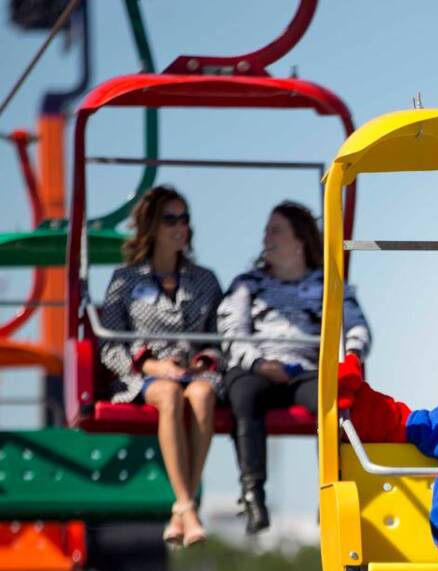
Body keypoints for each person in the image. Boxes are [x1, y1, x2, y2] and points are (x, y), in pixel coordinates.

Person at [218, 200, 370, 535]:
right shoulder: (248, 284)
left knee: (329, 401)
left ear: (299, 241)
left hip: (305, 368)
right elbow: (231, 330)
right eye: (266, 231)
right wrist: (258, 362)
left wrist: (353, 356)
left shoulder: (328, 285)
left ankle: (330, 489)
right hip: (257, 367)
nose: (266, 239)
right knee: (244, 394)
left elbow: (355, 326)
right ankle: (253, 491)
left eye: (275, 231)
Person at [99, 185, 223, 547]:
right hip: (143, 377)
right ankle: (187, 504)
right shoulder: (125, 281)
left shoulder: (205, 280)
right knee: (169, 395)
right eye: (171, 219)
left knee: (201, 396)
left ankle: (181, 508)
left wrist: (200, 363)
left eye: (184, 219)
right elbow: (110, 344)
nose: (180, 226)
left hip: (194, 372)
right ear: (152, 226)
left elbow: (220, 336)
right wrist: (152, 366)